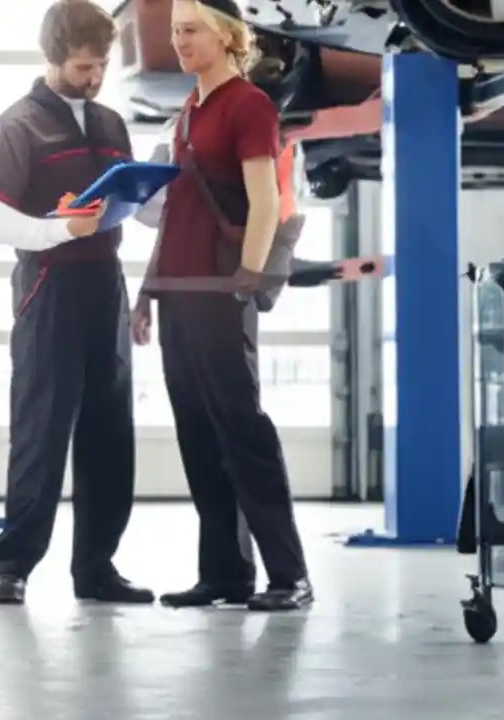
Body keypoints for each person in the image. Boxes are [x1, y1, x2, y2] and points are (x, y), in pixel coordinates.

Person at [0, 0, 153, 606]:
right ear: (51, 58)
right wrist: (57, 229)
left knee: (109, 430)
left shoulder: (109, 123)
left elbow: (132, 201)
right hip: (48, 286)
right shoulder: (17, 126)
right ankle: (13, 565)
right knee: (41, 429)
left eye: (101, 66)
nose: (94, 78)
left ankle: (96, 567)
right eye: (82, 67)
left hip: (105, 285)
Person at [131, 0, 314, 612]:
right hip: (179, 296)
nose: (179, 41)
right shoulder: (188, 112)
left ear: (229, 37)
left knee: (243, 434)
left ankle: (289, 576)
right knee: (199, 437)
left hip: (219, 293)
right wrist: (146, 293)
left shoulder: (247, 105)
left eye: (191, 31)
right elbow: (176, 213)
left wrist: (248, 278)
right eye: (175, 31)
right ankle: (225, 574)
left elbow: (264, 202)